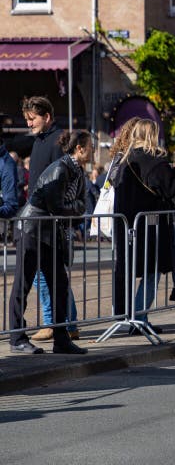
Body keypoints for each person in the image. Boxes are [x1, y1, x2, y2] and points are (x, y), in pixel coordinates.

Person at [8, 130, 93, 355]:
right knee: (22, 284)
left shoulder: (76, 171)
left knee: (60, 285)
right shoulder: (60, 169)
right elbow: (59, 207)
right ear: (80, 148)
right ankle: (17, 338)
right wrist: (75, 208)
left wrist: (75, 208)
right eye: (91, 145)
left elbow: (80, 205)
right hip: (31, 229)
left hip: (49, 232)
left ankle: (61, 339)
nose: (93, 150)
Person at [111, 119, 175, 334]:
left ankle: (129, 316)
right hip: (150, 226)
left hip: (126, 224)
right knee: (152, 271)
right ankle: (139, 317)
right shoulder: (154, 160)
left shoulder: (124, 159)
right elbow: (169, 188)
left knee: (129, 268)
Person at [22, 96, 80, 342]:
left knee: (45, 274)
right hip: (38, 216)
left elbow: (61, 180)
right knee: (51, 275)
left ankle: (53, 323)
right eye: (27, 119)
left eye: (32, 119)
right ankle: (69, 322)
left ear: (46, 116)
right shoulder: (40, 141)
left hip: (48, 218)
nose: (29, 124)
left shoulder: (57, 142)